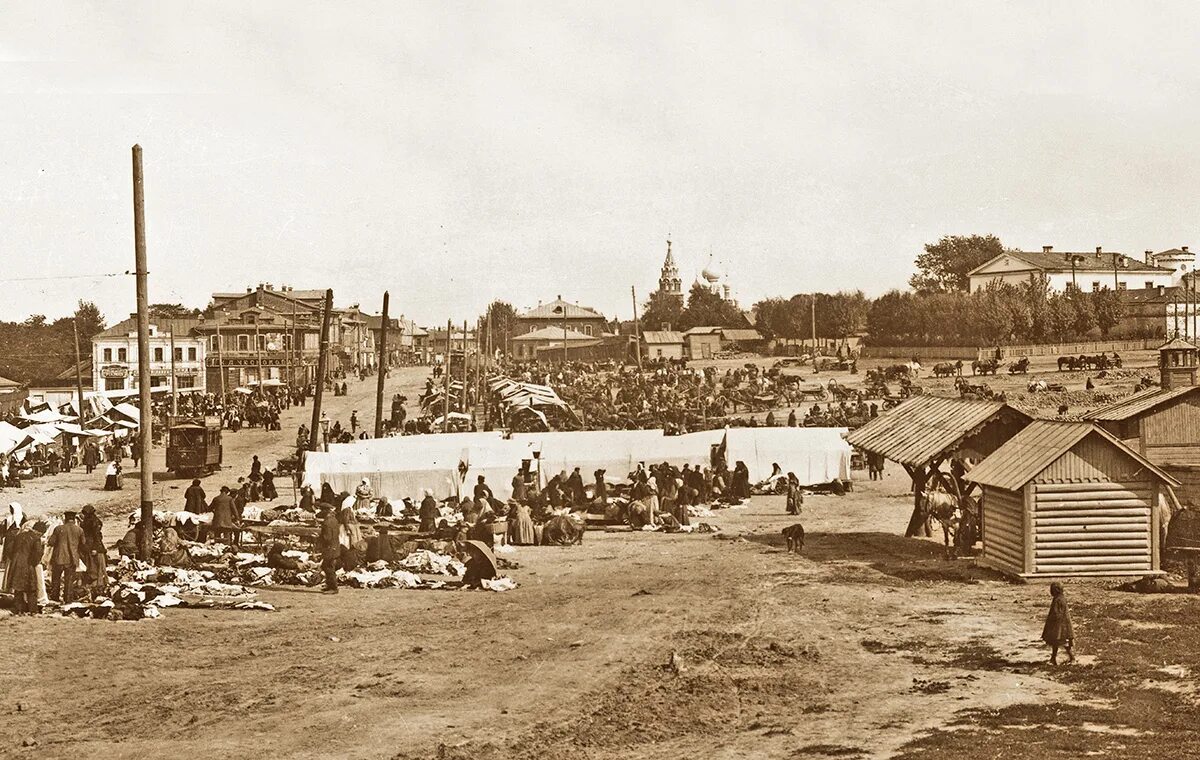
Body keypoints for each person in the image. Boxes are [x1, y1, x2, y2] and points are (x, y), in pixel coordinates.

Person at [8, 520, 46, 614]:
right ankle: (32, 610)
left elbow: (9, 549)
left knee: (18, 588)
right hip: (27, 565)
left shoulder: (19, 535)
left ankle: (18, 609)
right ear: (39, 532)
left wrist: (14, 559)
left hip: (16, 564)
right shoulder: (36, 538)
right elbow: (38, 553)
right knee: (31, 588)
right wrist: (34, 563)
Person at [47, 511, 84, 603]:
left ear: (65, 519)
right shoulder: (79, 530)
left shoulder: (58, 528)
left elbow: (51, 542)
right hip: (72, 559)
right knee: (69, 580)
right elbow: (83, 544)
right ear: (74, 519)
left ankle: (55, 597)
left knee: (56, 579)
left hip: (58, 558)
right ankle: (68, 599)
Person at [1042, 582, 1075, 666]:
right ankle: (1053, 658)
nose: (1050, 592)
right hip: (1062, 625)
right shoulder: (1060, 598)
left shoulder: (1058, 600)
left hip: (1059, 626)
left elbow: (1057, 613)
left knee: (1061, 642)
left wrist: (1052, 621)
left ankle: (1072, 657)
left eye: (1052, 590)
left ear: (1056, 590)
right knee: (1056, 642)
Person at [80, 505, 106, 596]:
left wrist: (95, 548)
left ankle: (96, 585)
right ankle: (95, 584)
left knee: (93, 566)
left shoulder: (93, 522)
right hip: (90, 545)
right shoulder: (92, 520)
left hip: (91, 546)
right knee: (92, 565)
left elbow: (96, 536)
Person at [319, 504, 340, 594]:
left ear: (325, 511)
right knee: (327, 566)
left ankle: (333, 587)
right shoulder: (334, 520)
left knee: (328, 567)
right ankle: (330, 585)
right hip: (335, 546)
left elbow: (327, 537)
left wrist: (318, 538)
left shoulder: (326, 523)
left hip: (329, 548)